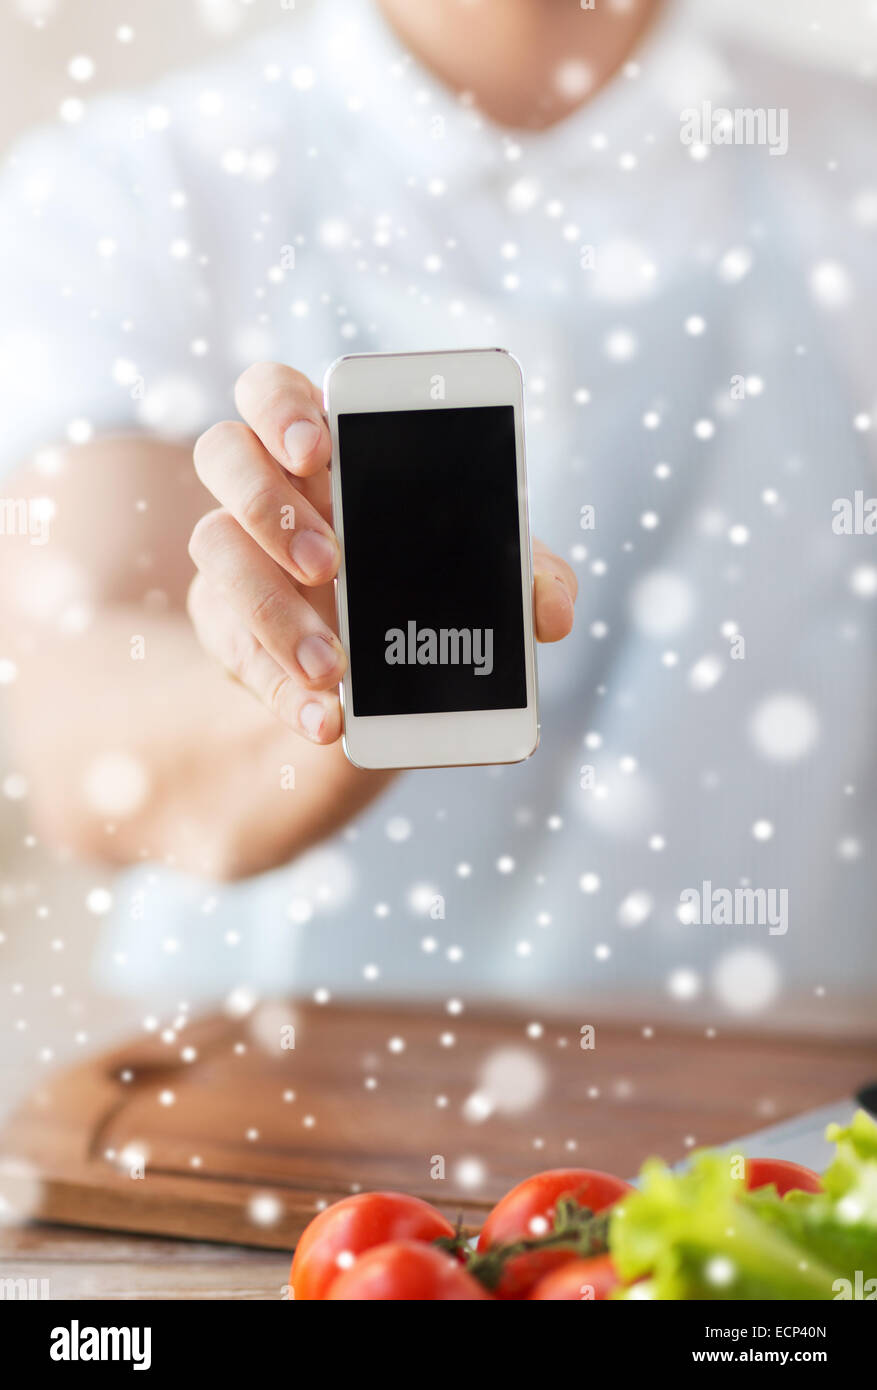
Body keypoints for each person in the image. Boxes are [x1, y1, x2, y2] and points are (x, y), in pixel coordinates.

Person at [0, 0, 874, 1025]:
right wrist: (326, 688)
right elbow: (74, 733)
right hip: (275, 1139)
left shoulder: (845, 165)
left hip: (782, 1137)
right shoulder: (138, 187)